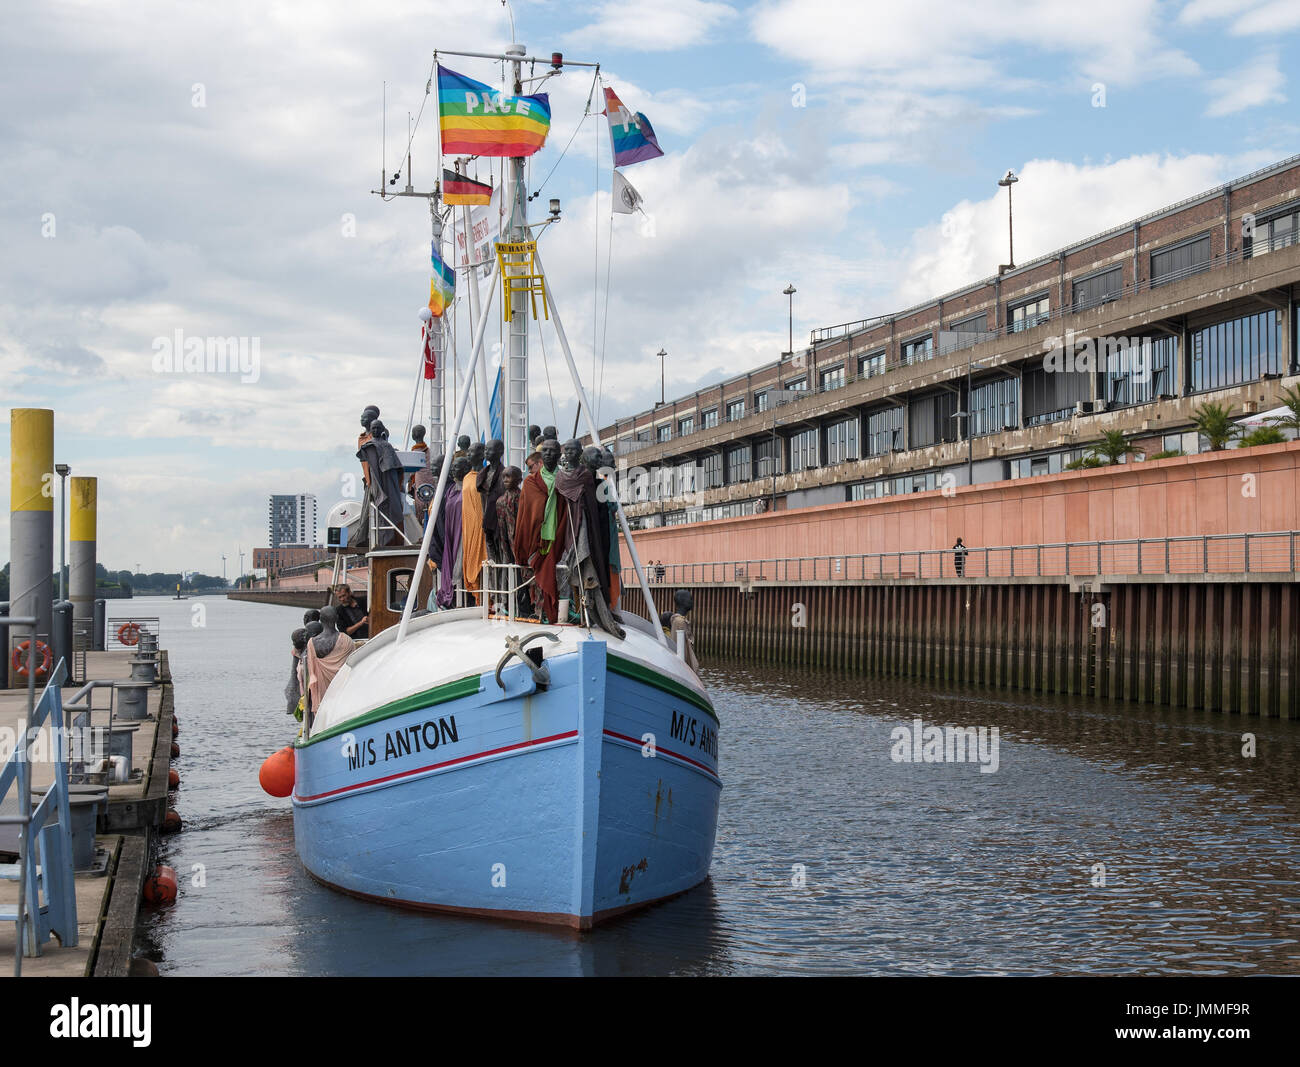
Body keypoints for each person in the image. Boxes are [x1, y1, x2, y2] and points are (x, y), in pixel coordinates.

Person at [514, 438, 569, 623]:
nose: (548, 454)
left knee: (559, 577)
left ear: (559, 455)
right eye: (545, 451)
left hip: (559, 537)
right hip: (537, 540)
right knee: (537, 580)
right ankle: (540, 615)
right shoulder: (530, 482)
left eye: (552, 451)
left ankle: (560, 614)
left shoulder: (565, 479)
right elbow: (524, 516)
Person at [461, 446, 488, 603]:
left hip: (482, 527)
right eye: (468, 451)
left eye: (472, 452)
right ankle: (478, 598)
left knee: (482, 562)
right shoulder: (466, 478)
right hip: (468, 527)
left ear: (481, 455)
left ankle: (486, 600)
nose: (469, 454)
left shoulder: (485, 477)